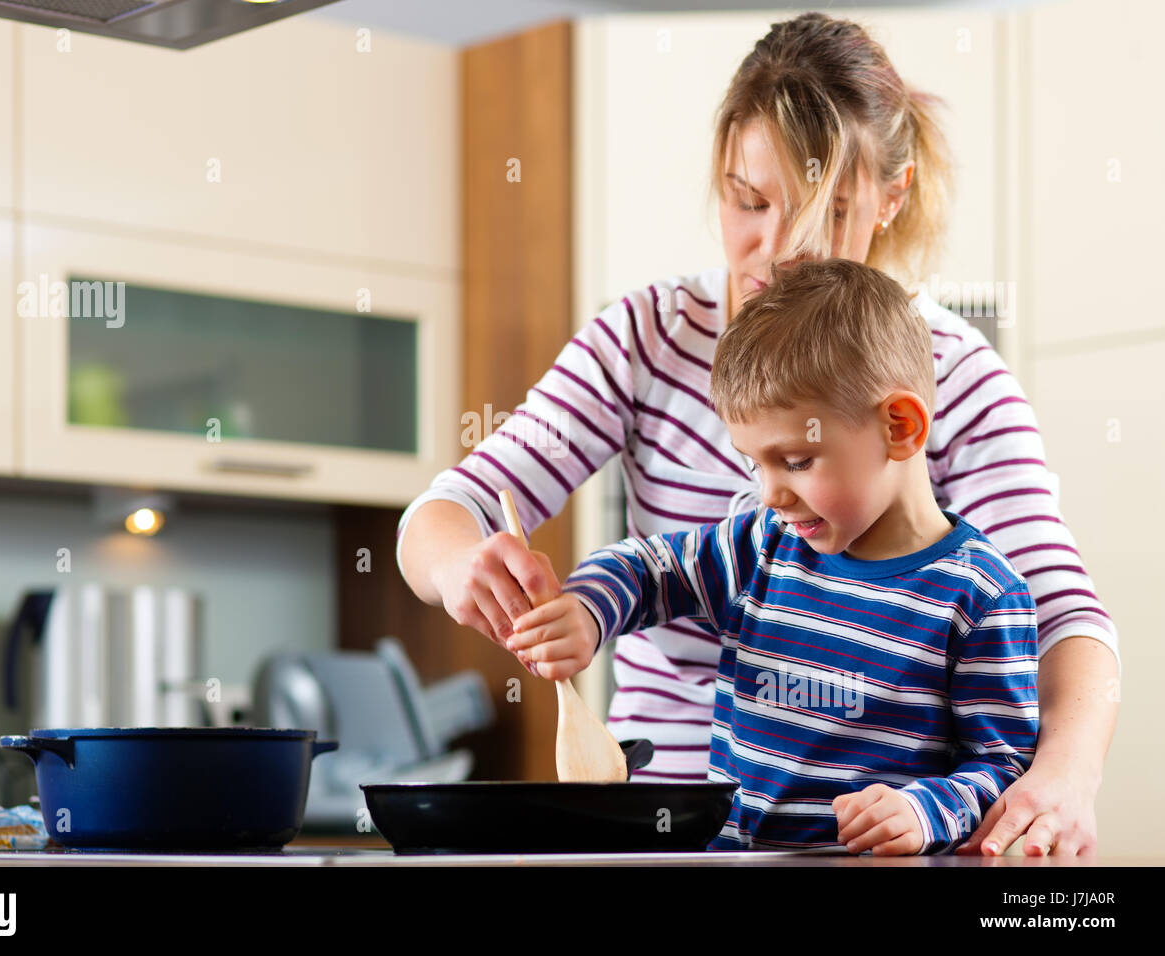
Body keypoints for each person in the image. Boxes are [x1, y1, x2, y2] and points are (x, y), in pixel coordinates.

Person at [396, 11, 1117, 856]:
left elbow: (1059, 612)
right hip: (672, 819)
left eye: (824, 214)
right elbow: (450, 514)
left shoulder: (957, 379)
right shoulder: (647, 336)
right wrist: (466, 570)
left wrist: (1062, 777)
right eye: (748, 202)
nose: (773, 252)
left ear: (892, 196)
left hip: (872, 837)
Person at [508, 258, 1040, 853]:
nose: (770, 494)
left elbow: (1002, 765)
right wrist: (586, 610)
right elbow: (648, 567)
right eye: (753, 462)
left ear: (900, 427)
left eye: (795, 461)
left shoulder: (984, 595)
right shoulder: (760, 543)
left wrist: (924, 811)